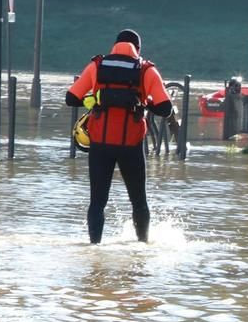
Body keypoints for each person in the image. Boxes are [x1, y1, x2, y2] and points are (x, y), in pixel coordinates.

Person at [64, 29, 176, 244]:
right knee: (139, 202)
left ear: (113, 46)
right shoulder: (146, 71)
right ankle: (143, 245)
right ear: (138, 49)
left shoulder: (97, 66)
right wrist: (146, 103)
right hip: (131, 145)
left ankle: (94, 246)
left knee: (97, 201)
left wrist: (94, 99)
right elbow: (165, 109)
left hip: (100, 145)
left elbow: (71, 98)